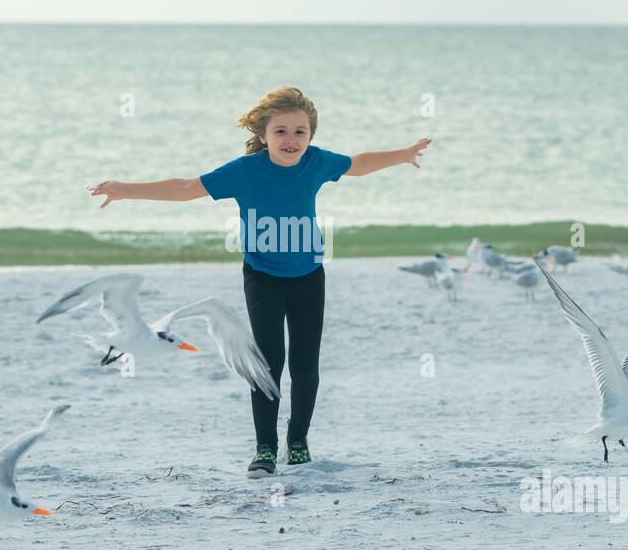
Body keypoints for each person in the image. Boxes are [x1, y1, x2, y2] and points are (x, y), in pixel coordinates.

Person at [89, 86, 430, 476]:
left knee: (305, 366)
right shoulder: (244, 170)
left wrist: (403, 155)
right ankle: (265, 449)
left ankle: (298, 441)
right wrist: (126, 190)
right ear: (264, 134)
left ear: (311, 137)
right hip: (262, 276)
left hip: (308, 276)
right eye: (281, 131)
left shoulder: (317, 163)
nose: (291, 140)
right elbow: (185, 189)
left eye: (300, 132)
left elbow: (358, 163)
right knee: (267, 363)